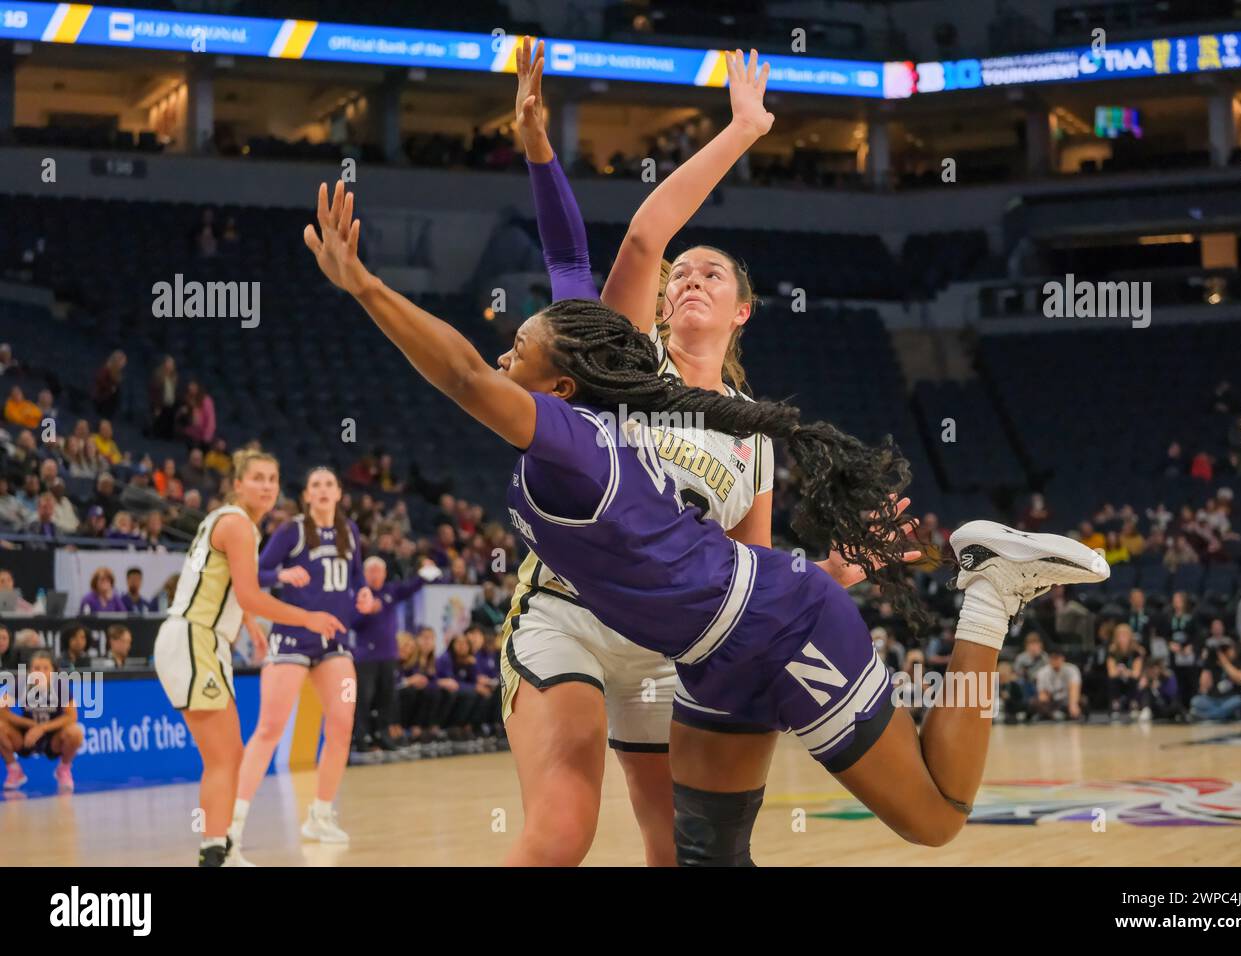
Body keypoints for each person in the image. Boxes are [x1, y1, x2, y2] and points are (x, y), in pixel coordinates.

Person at [304, 176, 1110, 864]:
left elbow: (463, 375)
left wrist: (365, 286)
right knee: (703, 858)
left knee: (935, 819)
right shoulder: (610, 411)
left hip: (780, 625)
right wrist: (539, 146)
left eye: (521, 346)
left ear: (566, 382)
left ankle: (988, 594)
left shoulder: (579, 442)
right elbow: (572, 264)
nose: (506, 354)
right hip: (709, 655)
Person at [491, 40, 873, 866]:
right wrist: (742, 130)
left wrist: (827, 577)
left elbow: (748, 578)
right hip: (570, 615)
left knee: (683, 851)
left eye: (713, 274)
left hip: (669, 646)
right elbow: (637, 239)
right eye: (682, 275)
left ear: (743, 312)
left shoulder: (755, 434)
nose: (690, 278)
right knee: (563, 834)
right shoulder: (627, 364)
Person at [152, 447, 345, 866]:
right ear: (237, 484)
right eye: (257, 478)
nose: (267, 486)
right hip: (193, 638)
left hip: (204, 639)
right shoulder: (238, 525)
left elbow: (226, 591)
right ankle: (215, 853)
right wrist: (307, 618)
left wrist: (252, 628)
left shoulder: (231, 524)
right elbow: (249, 595)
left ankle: (219, 848)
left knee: (229, 757)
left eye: (273, 480)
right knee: (223, 759)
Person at [230, 466, 376, 856]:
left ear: (340, 492)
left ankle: (320, 814)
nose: (324, 490)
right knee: (270, 728)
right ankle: (233, 825)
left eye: (330, 483)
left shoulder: (350, 532)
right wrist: (281, 572)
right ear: (307, 495)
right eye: (316, 485)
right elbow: (252, 574)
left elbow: (357, 577)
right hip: (291, 638)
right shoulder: (291, 531)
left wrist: (362, 594)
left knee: (342, 725)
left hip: (334, 643)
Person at [350, 555, 440, 752]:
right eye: (371, 571)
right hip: (366, 657)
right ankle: (361, 738)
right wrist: (367, 611)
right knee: (364, 699)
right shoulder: (358, 594)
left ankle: (384, 735)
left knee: (387, 699)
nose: (375, 575)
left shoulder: (390, 591)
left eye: (379, 571)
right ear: (365, 574)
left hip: (389, 655)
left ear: (384, 574)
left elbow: (411, 586)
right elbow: (352, 623)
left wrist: (425, 572)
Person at [0, 650, 84, 792]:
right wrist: (30, 725)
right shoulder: (20, 685)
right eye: (36, 668)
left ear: (54, 672)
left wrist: (42, 728)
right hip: (26, 736)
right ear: (29, 671)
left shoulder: (60, 687)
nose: (40, 672)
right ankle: (14, 770)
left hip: (53, 738)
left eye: (45, 668)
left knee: (76, 732)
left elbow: (72, 716)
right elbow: (2, 711)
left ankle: (64, 769)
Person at [1031, 647, 1083, 721]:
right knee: (1034, 703)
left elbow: (1074, 688)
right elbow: (1042, 695)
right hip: (1052, 701)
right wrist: (1047, 698)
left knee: (1083, 701)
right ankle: (1055, 714)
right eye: (1053, 658)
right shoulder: (1042, 672)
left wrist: (1073, 704)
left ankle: (1054, 715)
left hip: (1066, 700)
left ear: (1063, 658)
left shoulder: (1072, 669)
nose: (1055, 661)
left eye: (1057, 658)